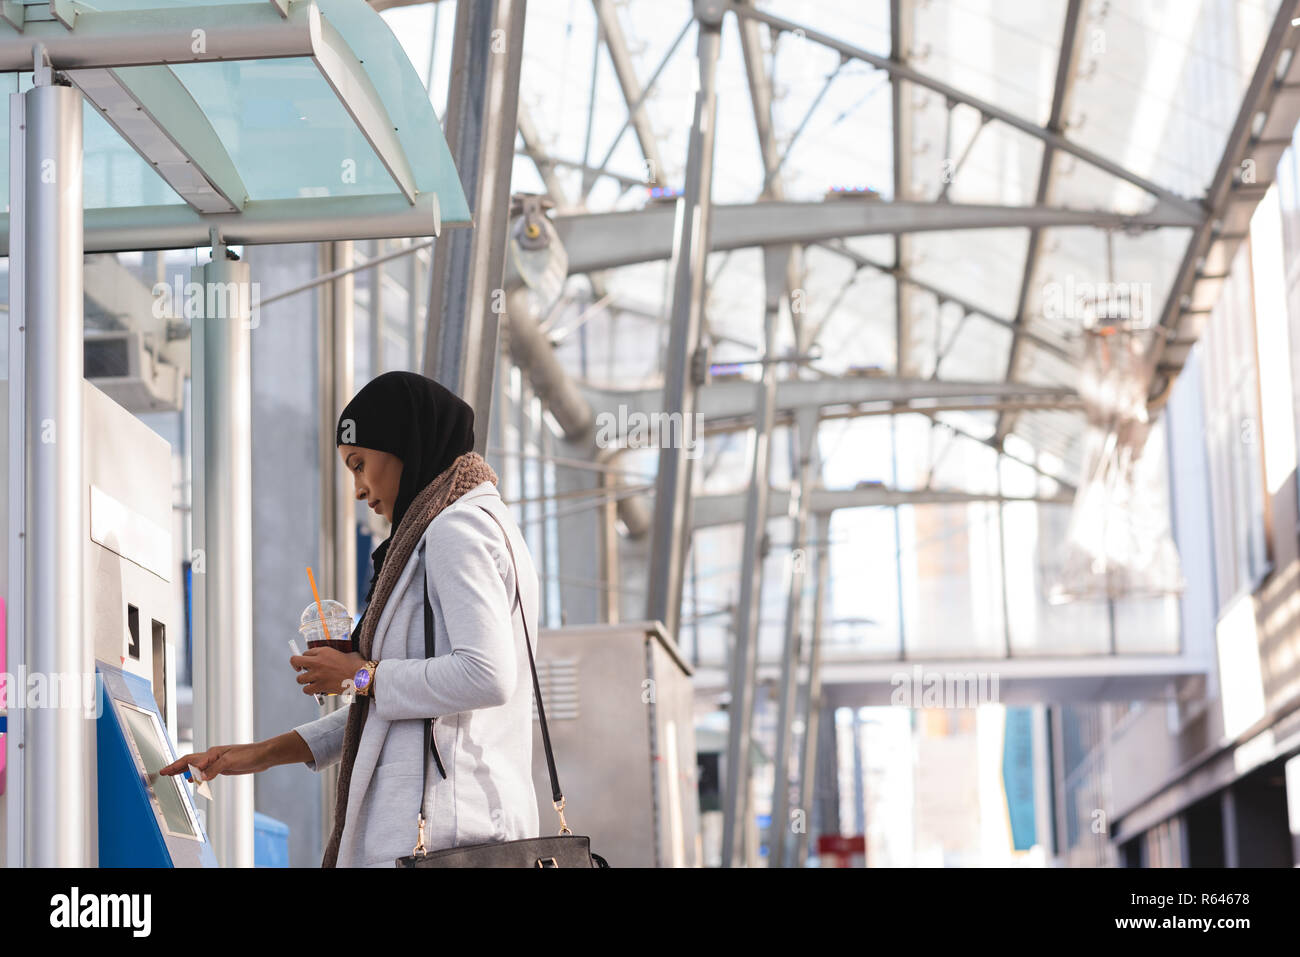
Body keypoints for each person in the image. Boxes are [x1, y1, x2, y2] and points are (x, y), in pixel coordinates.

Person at [162, 370, 542, 867]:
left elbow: (486, 676)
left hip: (443, 839)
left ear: (404, 444)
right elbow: (399, 711)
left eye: (361, 465)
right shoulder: (476, 525)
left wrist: (362, 675)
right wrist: (257, 754)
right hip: (456, 834)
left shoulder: (456, 530)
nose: (360, 489)